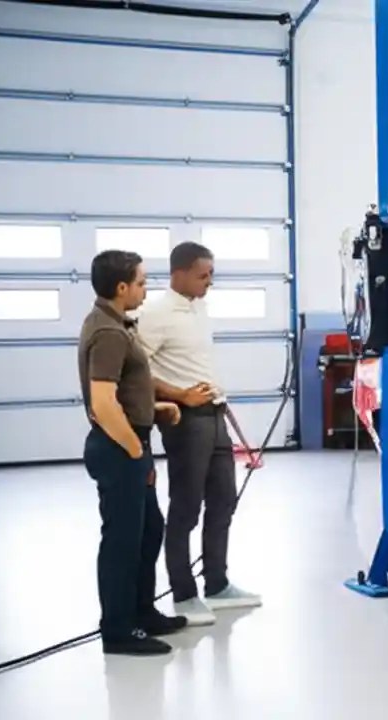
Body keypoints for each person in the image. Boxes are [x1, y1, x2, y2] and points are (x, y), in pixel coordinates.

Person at [136, 241, 261, 626]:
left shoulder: (198, 307)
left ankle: (217, 584)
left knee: (224, 498)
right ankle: (184, 592)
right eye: (202, 275)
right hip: (186, 420)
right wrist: (180, 395)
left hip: (215, 414)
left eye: (211, 275)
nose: (209, 282)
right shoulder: (155, 314)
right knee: (186, 506)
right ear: (179, 273)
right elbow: (135, 371)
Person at [79, 249, 186, 655]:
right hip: (119, 446)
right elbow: (103, 404)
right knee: (122, 541)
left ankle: (142, 611)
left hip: (129, 441)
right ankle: (118, 630)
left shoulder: (117, 324)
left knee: (148, 530)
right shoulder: (107, 332)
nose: (145, 288)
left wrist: (153, 409)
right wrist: (136, 450)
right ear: (121, 287)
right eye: (141, 282)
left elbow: (124, 391)